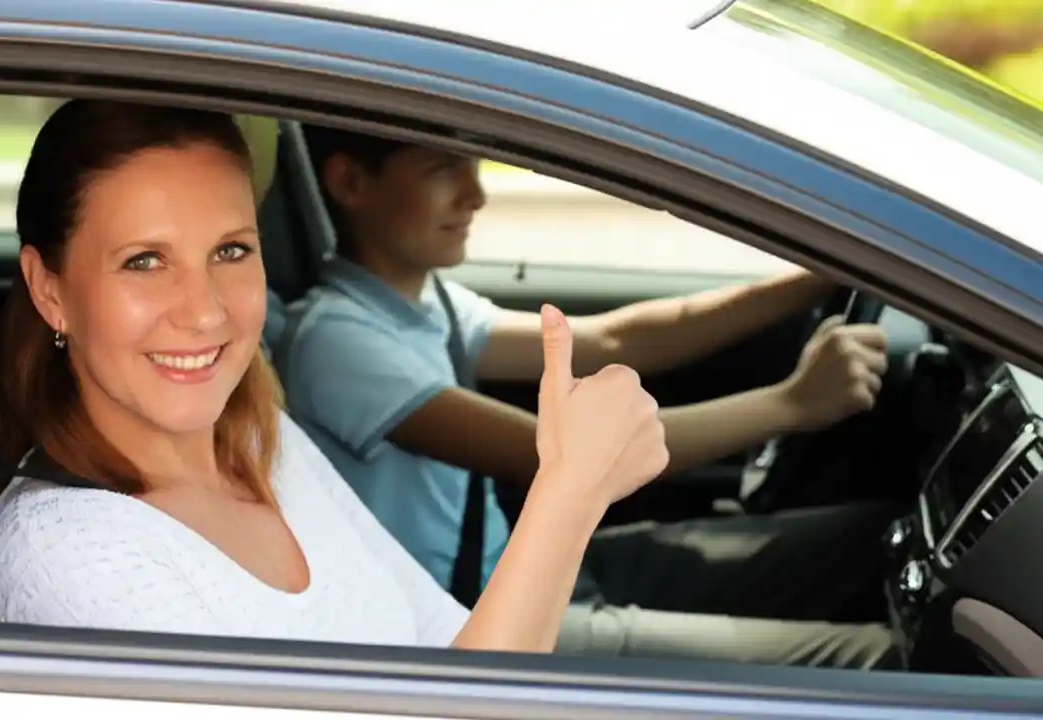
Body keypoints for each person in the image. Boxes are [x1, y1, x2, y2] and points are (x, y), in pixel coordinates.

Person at [0, 99, 670, 655]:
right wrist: (571, 492)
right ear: (49, 289)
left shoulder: (265, 447)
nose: (205, 311)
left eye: (231, 250)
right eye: (145, 261)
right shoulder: (64, 558)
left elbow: (457, 655)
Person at [272, 126, 897, 667]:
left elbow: (619, 339)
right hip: (476, 622)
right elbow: (557, 459)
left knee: (879, 538)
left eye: (473, 165)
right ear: (351, 183)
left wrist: (819, 275)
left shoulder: (425, 303)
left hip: (524, 564)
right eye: (442, 168)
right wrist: (791, 405)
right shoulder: (338, 342)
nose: (476, 194)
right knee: (874, 659)